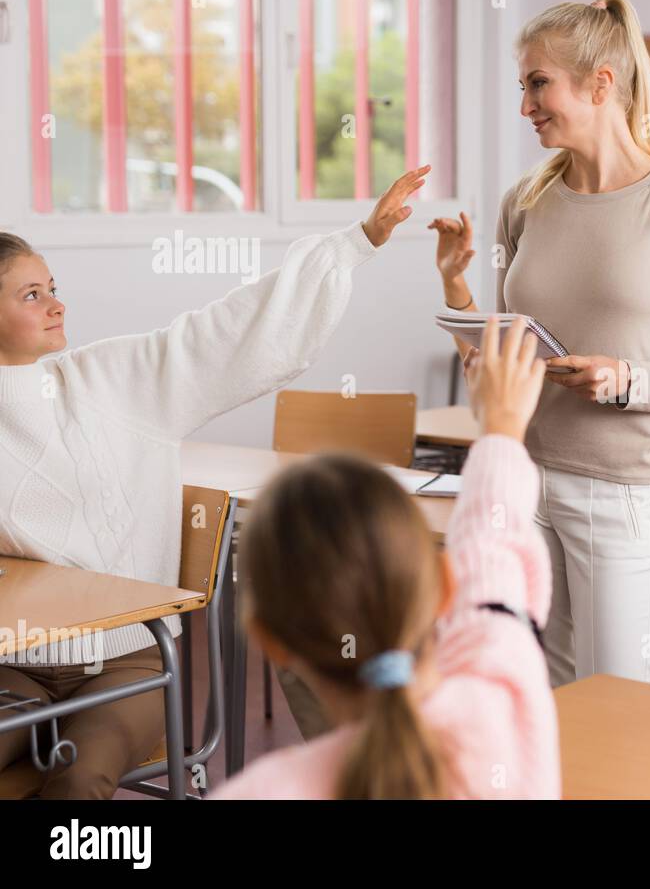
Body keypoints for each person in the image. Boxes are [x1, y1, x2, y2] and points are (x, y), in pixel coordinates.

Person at [0, 168, 431, 798]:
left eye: (53, 288)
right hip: (18, 666)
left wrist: (354, 242)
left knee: (80, 780)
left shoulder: (112, 382)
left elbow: (223, 334)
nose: (58, 304)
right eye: (31, 295)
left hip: (129, 664)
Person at [431, 0, 650, 686]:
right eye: (523, 86)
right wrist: (458, 292)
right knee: (541, 701)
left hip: (619, 494)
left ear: (601, 83)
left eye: (538, 83)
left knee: (617, 708)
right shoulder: (524, 202)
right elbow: (500, 365)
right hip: (527, 483)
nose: (526, 105)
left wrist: (627, 379)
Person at [213, 317, 558, 799]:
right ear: (444, 585)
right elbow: (491, 557)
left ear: (267, 638)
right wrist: (501, 428)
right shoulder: (503, 703)